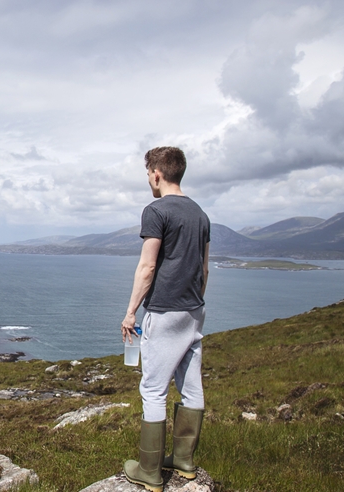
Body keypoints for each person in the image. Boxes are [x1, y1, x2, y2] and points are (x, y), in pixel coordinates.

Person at [121, 146, 210, 492]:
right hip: (194, 310)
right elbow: (203, 270)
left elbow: (147, 267)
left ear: (157, 174)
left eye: (148, 174)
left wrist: (131, 312)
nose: (148, 180)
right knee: (191, 386)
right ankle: (184, 461)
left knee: (153, 389)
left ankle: (150, 471)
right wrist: (195, 306)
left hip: (165, 310)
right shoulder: (200, 214)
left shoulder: (156, 211)